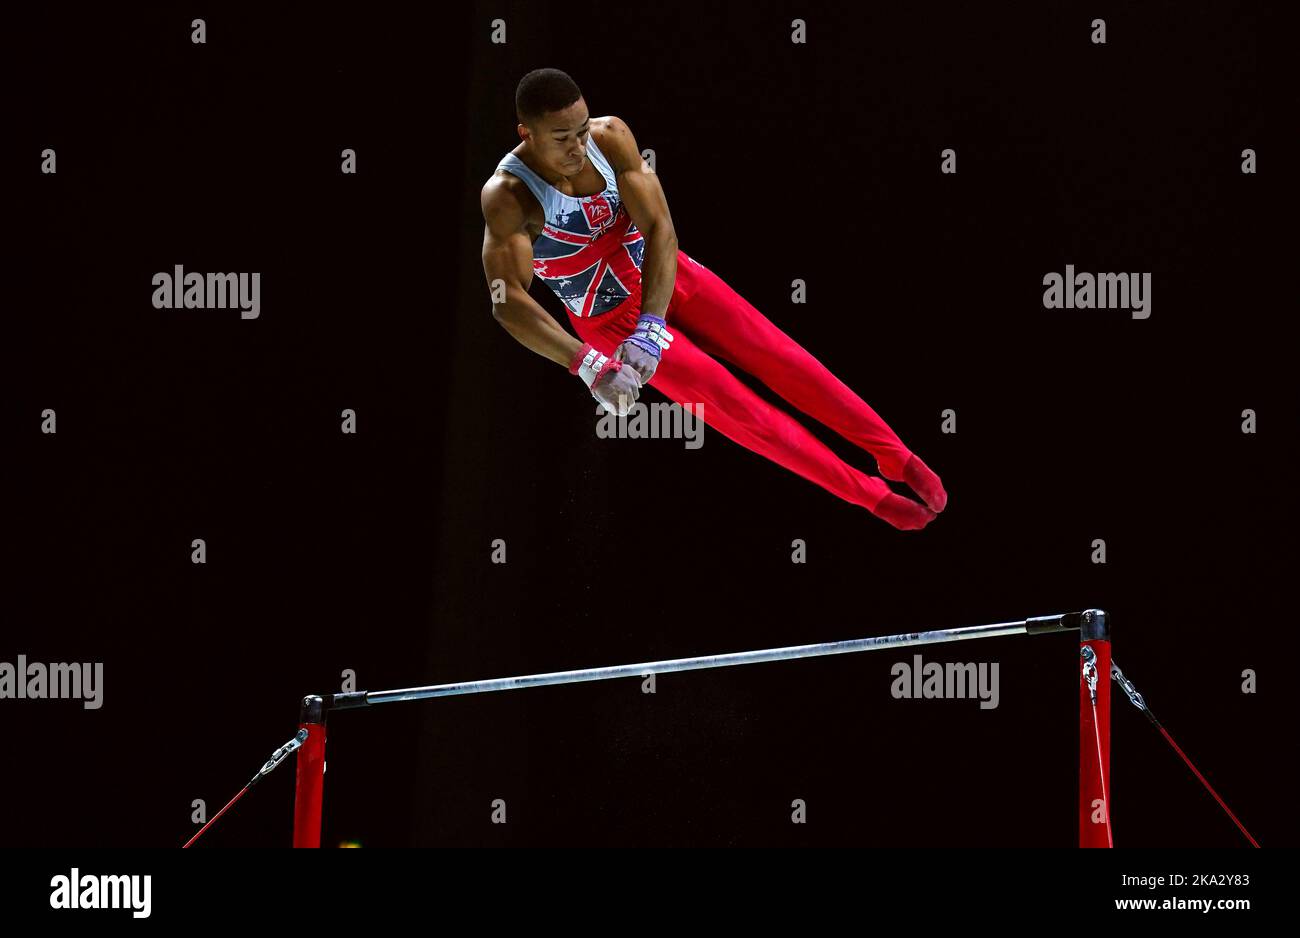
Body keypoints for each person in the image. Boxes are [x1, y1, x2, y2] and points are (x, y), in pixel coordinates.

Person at [479, 68, 946, 530]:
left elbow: (660, 226)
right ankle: (871, 496)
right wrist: (587, 364)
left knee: (784, 358)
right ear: (526, 133)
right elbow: (508, 302)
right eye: (561, 138)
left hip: (671, 277)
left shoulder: (610, 136)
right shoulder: (509, 197)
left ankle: (895, 456)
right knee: (737, 409)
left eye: (581, 131)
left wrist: (652, 325)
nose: (578, 148)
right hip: (607, 322)